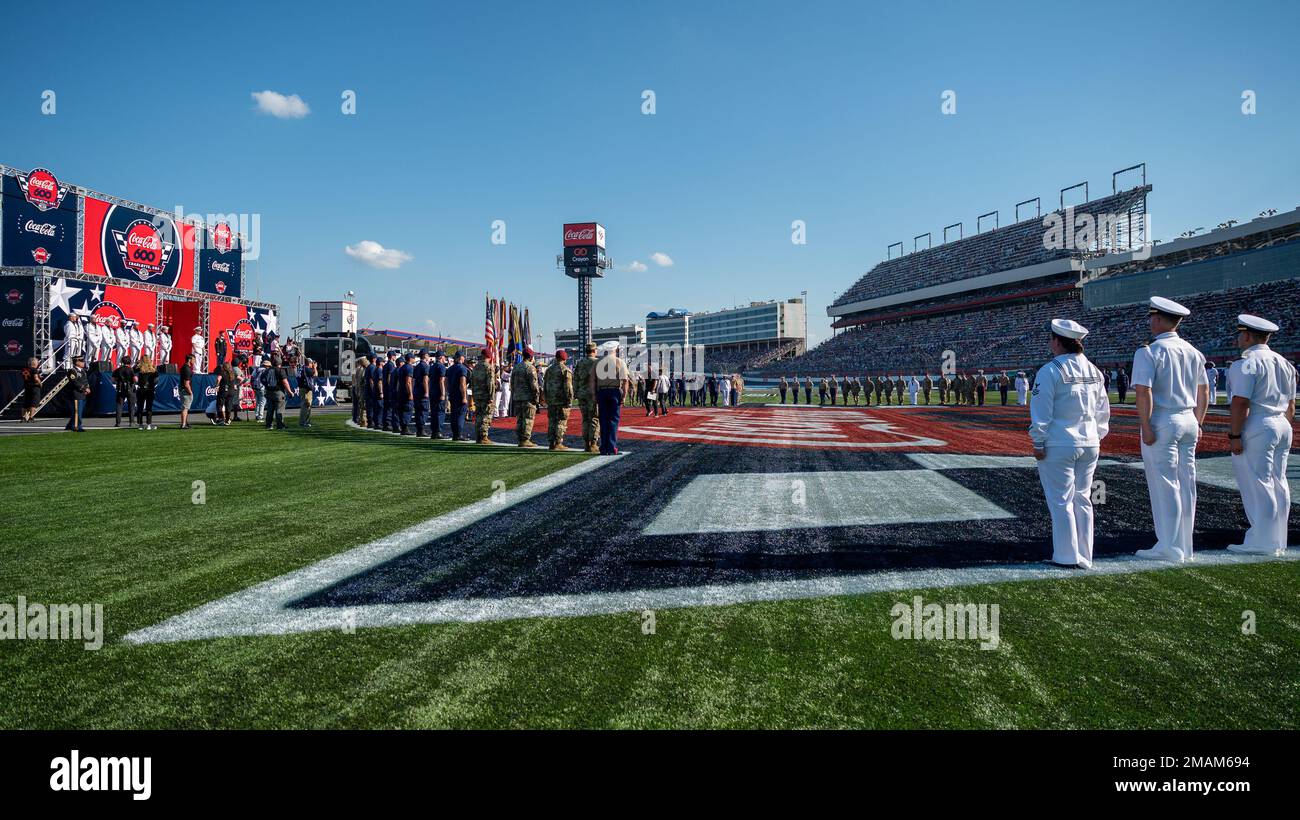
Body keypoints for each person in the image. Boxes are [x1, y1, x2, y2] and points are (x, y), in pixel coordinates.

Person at [1132, 296, 1208, 563]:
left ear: (1156, 319)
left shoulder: (1149, 351)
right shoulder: (1194, 352)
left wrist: (1145, 425)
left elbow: (1144, 391)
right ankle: (1184, 544)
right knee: (1186, 483)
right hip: (1189, 419)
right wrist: (1199, 421)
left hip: (1163, 420)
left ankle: (1168, 545)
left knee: (1165, 484)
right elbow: (1204, 390)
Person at [1029, 319, 1111, 569]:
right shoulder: (1095, 371)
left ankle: (1066, 556)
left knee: (1061, 501)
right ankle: (1085, 555)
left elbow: (1041, 411)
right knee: (1083, 499)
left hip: (1060, 442)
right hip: (1089, 442)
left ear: (1057, 341)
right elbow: (1103, 410)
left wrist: (1038, 441)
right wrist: (1096, 435)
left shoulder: (1050, 370)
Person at [1225, 314, 1296, 555]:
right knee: (1279, 482)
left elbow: (1241, 402)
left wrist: (1235, 435)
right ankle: (1278, 539)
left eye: (1240, 334)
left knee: (1259, 483)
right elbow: (1291, 405)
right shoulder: (1284, 362)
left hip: (1258, 422)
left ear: (1246, 335)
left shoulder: (1246, 362)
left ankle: (1261, 541)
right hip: (1282, 423)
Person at [593, 341, 628, 455]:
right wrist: (624, 396)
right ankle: (612, 447)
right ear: (615, 350)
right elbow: (625, 381)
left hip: (602, 391)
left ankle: (603, 447)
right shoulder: (619, 362)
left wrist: (594, 395)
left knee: (603, 420)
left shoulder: (598, 362)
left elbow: (592, 381)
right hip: (614, 391)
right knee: (613, 421)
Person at [544, 349, 574, 450]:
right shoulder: (565, 370)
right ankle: (558, 442)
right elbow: (568, 387)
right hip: (561, 400)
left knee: (552, 421)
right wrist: (569, 400)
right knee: (561, 421)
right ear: (564, 359)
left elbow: (545, 385)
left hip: (551, 400)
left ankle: (551, 442)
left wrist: (546, 398)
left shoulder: (549, 370)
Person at [573, 342, 600, 453]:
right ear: (594, 351)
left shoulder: (580, 363)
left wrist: (576, 392)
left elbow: (575, 379)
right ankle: (593, 444)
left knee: (585, 419)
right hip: (593, 395)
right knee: (594, 419)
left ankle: (586, 444)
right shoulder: (598, 362)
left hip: (582, 394)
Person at [510, 349, 540, 447]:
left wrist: (514, 394)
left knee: (520, 419)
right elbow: (534, 385)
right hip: (528, 398)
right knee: (528, 419)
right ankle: (525, 439)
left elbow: (512, 383)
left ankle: (520, 438)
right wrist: (537, 398)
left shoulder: (516, 367)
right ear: (531, 357)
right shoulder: (530, 368)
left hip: (517, 397)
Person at [470, 353, 499, 444]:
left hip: (477, 395)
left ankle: (478, 437)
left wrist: (474, 394)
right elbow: (490, 383)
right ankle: (483, 437)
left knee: (478, 416)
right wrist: (491, 396)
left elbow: (472, 382)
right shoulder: (488, 367)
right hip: (485, 395)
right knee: (486, 416)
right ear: (489, 357)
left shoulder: (476, 367)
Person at [446, 352, 469, 441]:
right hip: (459, 395)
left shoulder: (450, 369)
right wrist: (464, 397)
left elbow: (446, 382)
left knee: (454, 415)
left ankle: (455, 434)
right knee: (460, 415)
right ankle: (458, 434)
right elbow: (462, 384)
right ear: (461, 358)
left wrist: (449, 392)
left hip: (452, 394)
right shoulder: (463, 369)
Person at [64, 355, 90, 432]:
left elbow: (85, 381)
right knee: (77, 411)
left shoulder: (82, 371)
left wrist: (87, 388)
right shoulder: (72, 371)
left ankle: (70, 425)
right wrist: (84, 388)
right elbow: (74, 382)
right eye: (82, 361)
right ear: (77, 362)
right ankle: (77, 426)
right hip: (76, 394)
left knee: (78, 411)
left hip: (82, 394)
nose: (83, 362)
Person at [265, 354, 290, 430]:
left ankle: (269, 425)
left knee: (270, 409)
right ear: (280, 363)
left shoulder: (268, 370)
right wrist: (289, 392)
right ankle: (280, 425)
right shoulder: (281, 371)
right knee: (279, 409)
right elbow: (285, 382)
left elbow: (262, 379)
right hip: (278, 392)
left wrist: (266, 386)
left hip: (269, 391)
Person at [113, 354, 138, 428]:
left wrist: (119, 380)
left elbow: (113, 379)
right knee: (131, 405)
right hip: (130, 388)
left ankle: (118, 422)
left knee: (119, 405)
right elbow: (134, 379)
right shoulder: (130, 369)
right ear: (129, 362)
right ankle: (132, 421)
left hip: (120, 388)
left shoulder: (118, 370)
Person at [135, 355, 158, 430]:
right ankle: (148, 424)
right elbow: (156, 377)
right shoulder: (152, 369)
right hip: (149, 390)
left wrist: (137, 364)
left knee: (140, 407)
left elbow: (133, 370)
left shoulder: (140, 369)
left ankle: (140, 424)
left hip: (141, 389)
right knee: (149, 408)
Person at [429, 350, 448, 439]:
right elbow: (441, 381)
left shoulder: (432, 367)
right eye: (444, 357)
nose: (445, 359)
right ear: (441, 357)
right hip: (438, 392)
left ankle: (434, 431)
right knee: (440, 412)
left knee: (433, 412)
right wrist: (443, 393)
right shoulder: (441, 367)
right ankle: (438, 432)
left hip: (432, 391)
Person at [394, 353, 413, 435]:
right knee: (407, 410)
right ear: (411, 359)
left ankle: (403, 428)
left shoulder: (401, 368)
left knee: (401, 411)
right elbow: (408, 382)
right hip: (406, 392)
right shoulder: (409, 368)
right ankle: (405, 428)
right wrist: (410, 393)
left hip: (400, 392)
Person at [412, 350, 430, 436]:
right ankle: (421, 430)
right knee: (423, 411)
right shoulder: (425, 366)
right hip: (422, 391)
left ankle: (419, 429)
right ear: (425, 356)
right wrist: (426, 392)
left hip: (417, 391)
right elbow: (425, 380)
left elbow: (414, 379)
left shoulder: (417, 366)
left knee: (418, 411)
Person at [20, 358, 42, 423]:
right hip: (34, 387)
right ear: (34, 363)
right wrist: (40, 383)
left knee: (25, 404)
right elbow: (36, 378)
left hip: (27, 387)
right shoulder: (34, 370)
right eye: (37, 362)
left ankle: (23, 417)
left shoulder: (24, 369)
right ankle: (31, 418)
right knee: (34, 403)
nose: (38, 364)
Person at [298, 357, 318, 428]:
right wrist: (315, 367)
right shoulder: (306, 369)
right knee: (306, 405)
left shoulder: (302, 368)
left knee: (305, 405)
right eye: (311, 363)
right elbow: (315, 375)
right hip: (306, 389)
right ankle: (303, 422)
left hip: (302, 388)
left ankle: (304, 421)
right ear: (309, 363)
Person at [179, 353, 195, 429]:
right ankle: (183, 424)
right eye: (193, 359)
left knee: (186, 407)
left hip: (183, 388)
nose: (194, 361)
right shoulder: (187, 369)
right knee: (185, 408)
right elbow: (186, 383)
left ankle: (185, 422)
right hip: (185, 390)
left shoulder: (185, 367)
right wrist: (190, 392)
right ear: (189, 360)